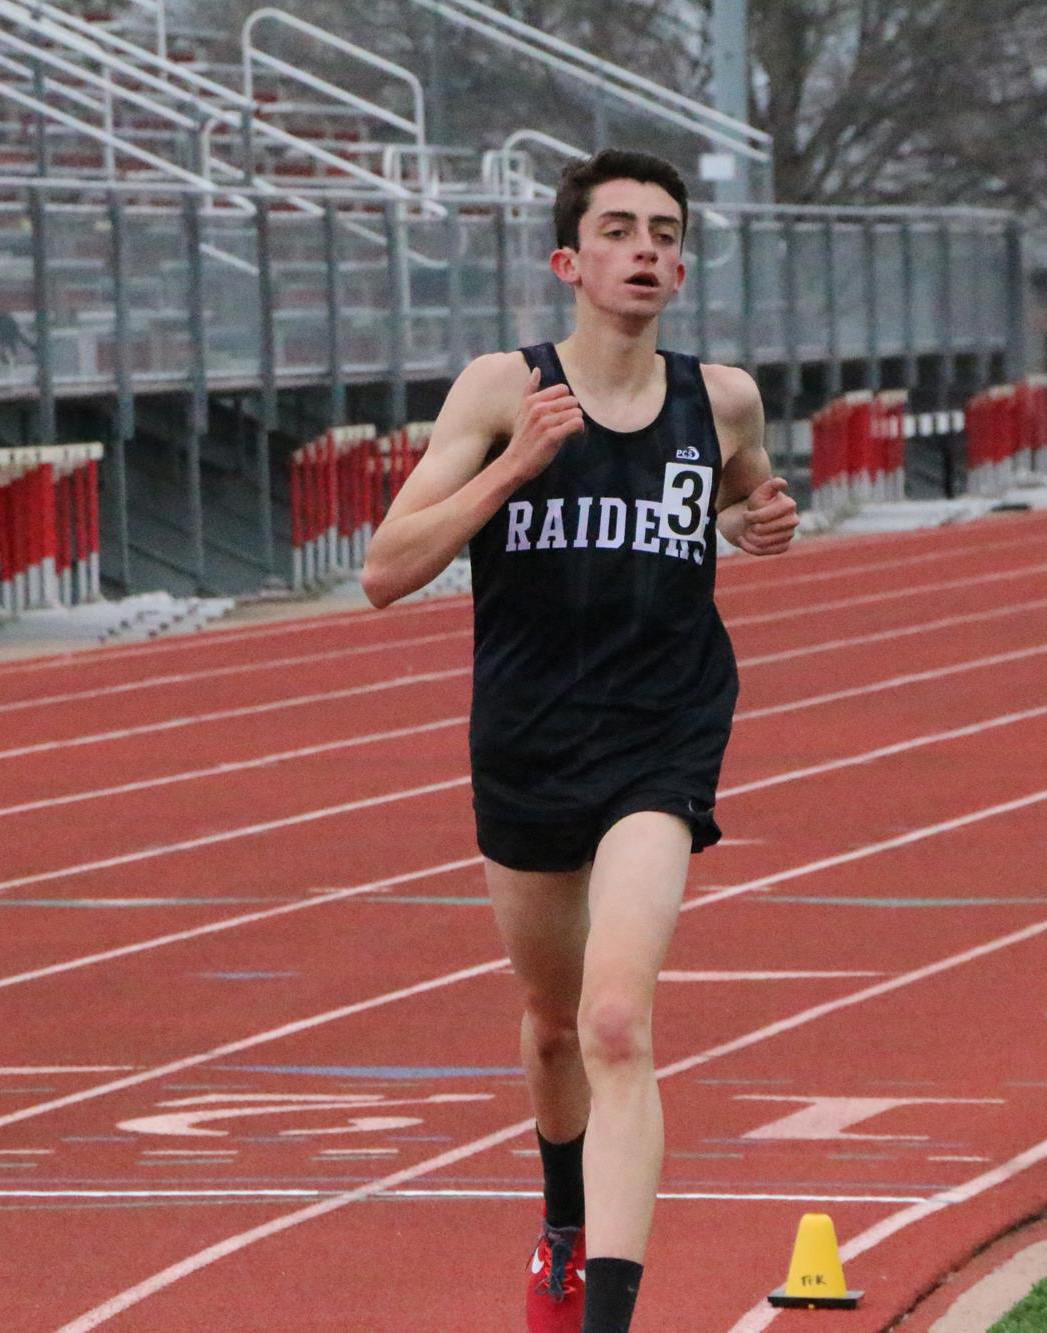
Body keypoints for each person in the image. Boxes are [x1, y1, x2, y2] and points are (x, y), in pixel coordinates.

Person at [360, 149, 799, 1333]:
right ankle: (560, 1223)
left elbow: (744, 494)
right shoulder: (501, 390)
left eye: (664, 231)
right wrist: (517, 464)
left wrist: (761, 520)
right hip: (525, 739)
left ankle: (606, 1317)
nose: (645, 249)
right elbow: (384, 572)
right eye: (618, 230)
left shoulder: (723, 398)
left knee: (615, 1019)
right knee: (554, 1028)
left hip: (659, 734)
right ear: (569, 261)